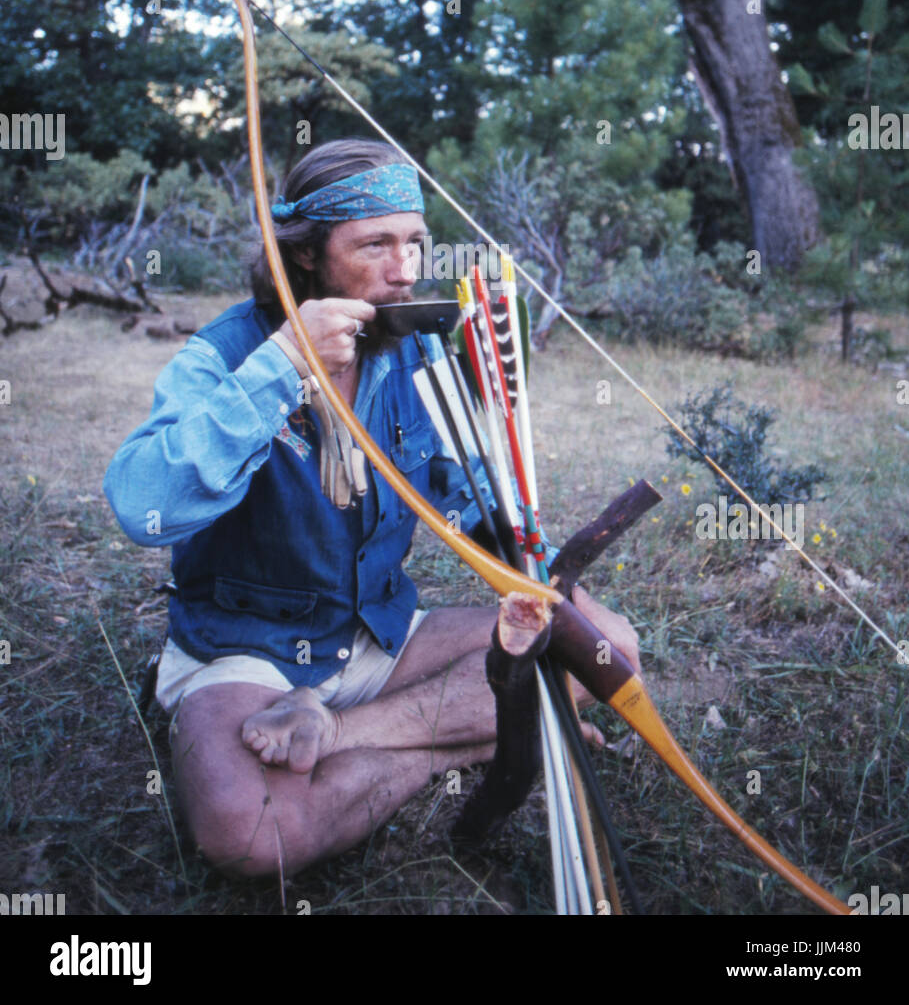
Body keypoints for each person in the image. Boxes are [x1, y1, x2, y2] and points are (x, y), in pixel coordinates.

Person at [104, 137, 640, 878]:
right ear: (305, 257)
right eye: (374, 245)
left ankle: (345, 733)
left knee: (607, 646)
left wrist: (520, 550)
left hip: (378, 639)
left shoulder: (408, 352)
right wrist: (285, 364)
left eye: (416, 243)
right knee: (247, 834)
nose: (405, 270)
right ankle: (466, 736)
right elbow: (141, 505)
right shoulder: (225, 356)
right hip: (243, 650)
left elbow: (467, 494)